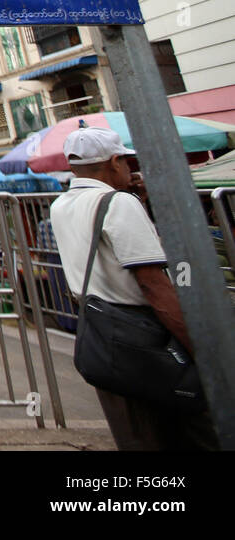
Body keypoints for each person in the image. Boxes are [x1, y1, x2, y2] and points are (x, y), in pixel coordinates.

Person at [49, 126, 217, 450]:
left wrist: (137, 201)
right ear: (115, 162)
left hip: (102, 335)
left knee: (136, 437)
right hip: (143, 338)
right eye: (127, 163)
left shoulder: (61, 205)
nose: (131, 169)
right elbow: (154, 285)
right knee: (197, 430)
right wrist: (201, 350)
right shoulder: (117, 203)